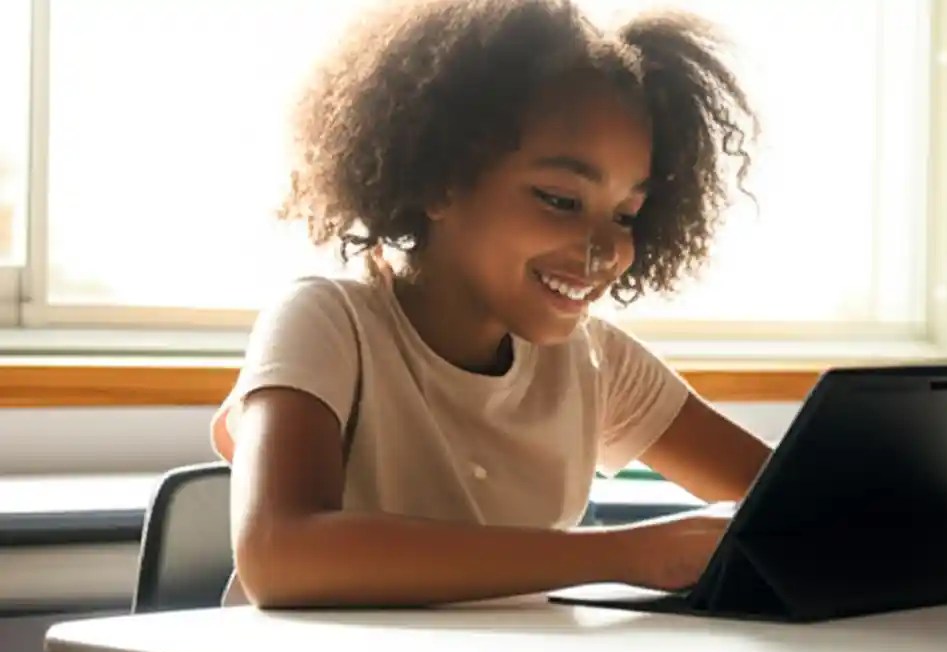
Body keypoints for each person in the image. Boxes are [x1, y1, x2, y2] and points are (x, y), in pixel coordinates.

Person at [211, 0, 773, 608]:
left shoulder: (596, 363)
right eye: (560, 200)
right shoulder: (326, 322)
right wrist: (629, 555)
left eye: (626, 215)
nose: (607, 250)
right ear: (439, 180)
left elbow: (796, 504)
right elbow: (279, 555)